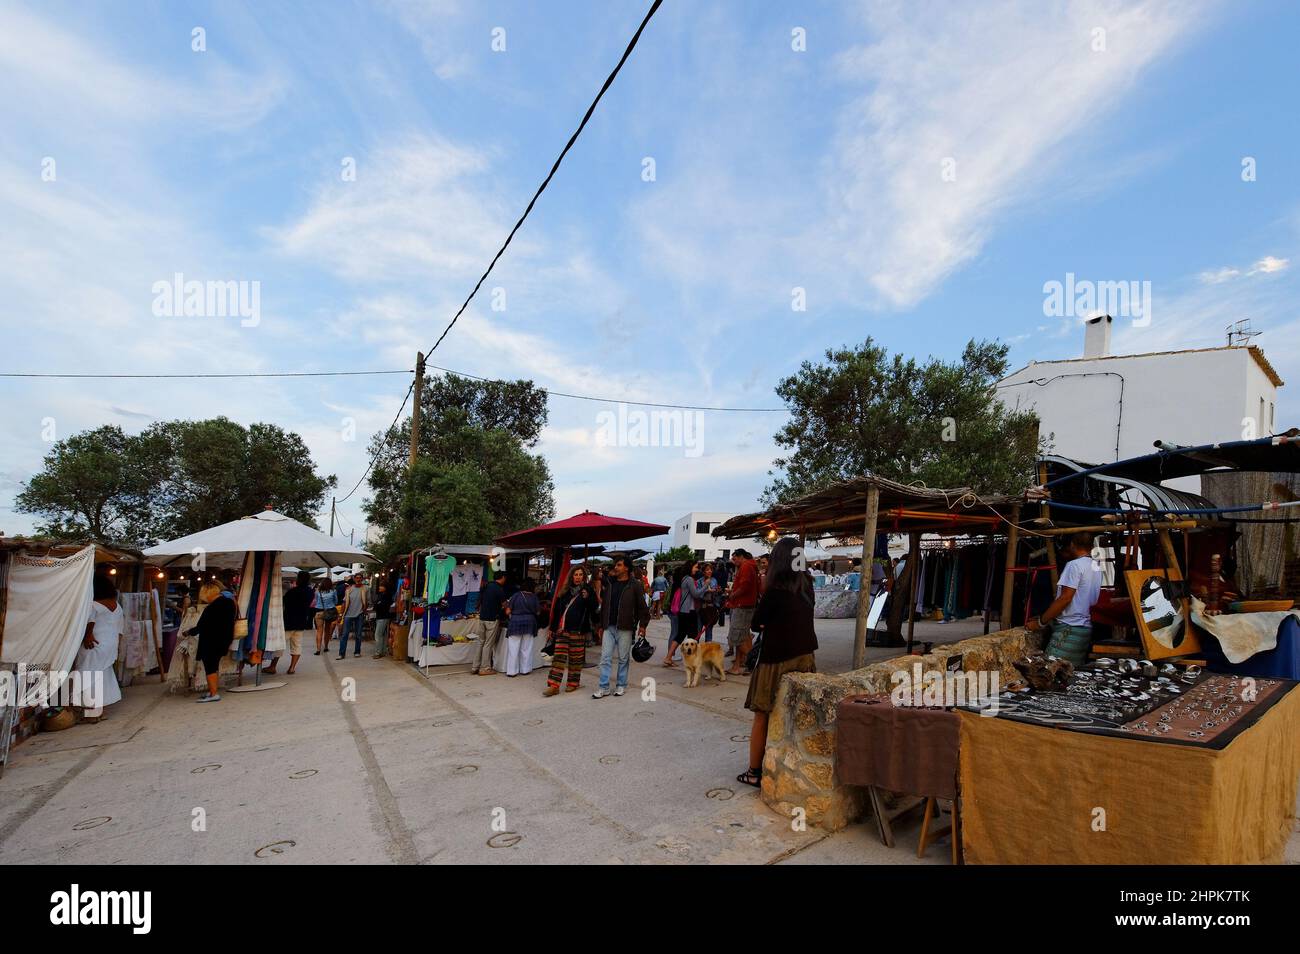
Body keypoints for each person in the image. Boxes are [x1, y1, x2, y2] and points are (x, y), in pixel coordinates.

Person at [737, 537, 818, 787]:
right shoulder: (807, 586)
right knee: (798, 714)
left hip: (776, 658)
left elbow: (756, 623)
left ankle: (754, 772)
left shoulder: (775, 590)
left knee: (761, 713)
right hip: (805, 655)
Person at [1026, 531, 1100, 666]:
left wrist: (1040, 622)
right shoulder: (1095, 566)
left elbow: (1065, 598)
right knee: (1070, 675)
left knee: (1048, 671)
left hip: (1069, 628)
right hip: (1085, 629)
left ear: (1072, 545)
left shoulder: (1074, 565)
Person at [592, 556, 650, 698]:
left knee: (623, 658)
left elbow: (642, 607)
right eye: (615, 565)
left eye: (619, 565)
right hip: (609, 626)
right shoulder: (610, 583)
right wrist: (600, 625)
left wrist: (642, 625)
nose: (615, 567)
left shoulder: (635, 585)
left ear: (626, 568)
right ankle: (604, 687)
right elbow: (605, 605)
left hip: (626, 627)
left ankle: (621, 685)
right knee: (605, 658)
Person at [543, 566, 599, 696]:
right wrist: (552, 628)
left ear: (584, 577)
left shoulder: (588, 590)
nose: (578, 577)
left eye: (580, 575)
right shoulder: (565, 591)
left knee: (576, 659)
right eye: (576, 574)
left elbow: (594, 609)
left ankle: (573, 684)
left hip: (578, 631)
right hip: (563, 630)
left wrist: (588, 598)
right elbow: (557, 611)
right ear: (571, 576)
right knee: (558, 658)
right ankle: (554, 685)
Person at [77, 573, 124, 719]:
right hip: (109, 645)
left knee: (87, 676)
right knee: (103, 677)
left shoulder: (93, 605)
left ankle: (92, 712)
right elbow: (120, 630)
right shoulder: (117, 606)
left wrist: (88, 635)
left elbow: (90, 623)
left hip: (94, 645)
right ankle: (99, 710)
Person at [186, 581, 236, 703]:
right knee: (214, 665)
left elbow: (201, 626)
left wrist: (189, 632)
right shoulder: (229, 603)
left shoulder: (212, 607)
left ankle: (214, 693)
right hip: (224, 639)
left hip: (211, 641)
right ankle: (213, 690)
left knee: (210, 667)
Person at [270, 570, 313, 675]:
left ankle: (272, 666)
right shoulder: (310, 592)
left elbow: (283, 603)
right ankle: (292, 668)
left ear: (299, 579)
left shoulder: (292, 592)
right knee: (297, 645)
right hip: (301, 622)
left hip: (288, 622)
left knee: (279, 645)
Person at [664, 561, 703, 668]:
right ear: (690, 567)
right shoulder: (689, 579)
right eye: (696, 567)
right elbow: (696, 594)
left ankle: (668, 657)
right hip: (689, 612)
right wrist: (706, 586)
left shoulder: (684, 578)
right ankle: (691, 661)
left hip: (683, 611)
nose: (697, 569)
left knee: (680, 635)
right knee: (693, 636)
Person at [726, 549, 759, 673]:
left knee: (737, 637)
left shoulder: (746, 567)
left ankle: (753, 661)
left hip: (742, 606)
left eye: (734, 559)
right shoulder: (750, 566)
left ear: (741, 557)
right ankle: (738, 665)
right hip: (746, 605)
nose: (734, 562)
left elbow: (744, 587)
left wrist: (732, 595)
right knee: (742, 636)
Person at [504, 578, 541, 676]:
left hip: (515, 622)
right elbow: (538, 612)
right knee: (527, 648)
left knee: (513, 648)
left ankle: (512, 672)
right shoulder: (534, 597)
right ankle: (525, 670)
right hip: (530, 623)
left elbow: (508, 611)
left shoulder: (516, 596)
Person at [474, 569, 508, 675]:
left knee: (480, 642)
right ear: (502, 578)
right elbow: (505, 605)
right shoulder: (499, 589)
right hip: (492, 619)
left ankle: (475, 667)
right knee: (488, 644)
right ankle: (485, 668)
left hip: (482, 617)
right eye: (505, 578)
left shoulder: (486, 586)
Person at [337, 576, 367, 659]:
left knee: (358, 634)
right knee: (344, 635)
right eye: (357, 578)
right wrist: (340, 615)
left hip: (359, 614)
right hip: (348, 615)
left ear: (362, 579)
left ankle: (357, 652)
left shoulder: (365, 589)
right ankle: (341, 653)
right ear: (354, 579)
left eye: (360, 578)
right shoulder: (349, 589)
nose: (358, 579)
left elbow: (367, 601)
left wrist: (365, 610)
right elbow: (344, 603)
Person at [313, 578, 339, 655]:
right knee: (327, 630)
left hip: (319, 612)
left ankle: (318, 649)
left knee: (319, 631)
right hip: (329, 612)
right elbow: (336, 601)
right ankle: (326, 647)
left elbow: (316, 601)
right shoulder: (333, 591)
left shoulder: (318, 591)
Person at [699, 561, 721, 642]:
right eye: (707, 570)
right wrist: (706, 589)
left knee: (709, 630)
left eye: (711, 569)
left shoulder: (714, 580)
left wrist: (717, 591)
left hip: (711, 607)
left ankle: (708, 650)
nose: (710, 571)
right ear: (703, 571)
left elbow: (716, 594)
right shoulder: (699, 581)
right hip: (701, 608)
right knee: (698, 629)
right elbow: (698, 594)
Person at [371, 581, 394, 658]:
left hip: (383, 617)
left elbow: (382, 605)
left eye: (382, 586)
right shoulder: (381, 595)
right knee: (382, 635)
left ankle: (378, 652)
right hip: (380, 616)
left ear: (385, 587)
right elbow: (377, 605)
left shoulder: (387, 596)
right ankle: (382, 651)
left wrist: (378, 604)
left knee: (378, 635)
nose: (380, 587)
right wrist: (377, 604)